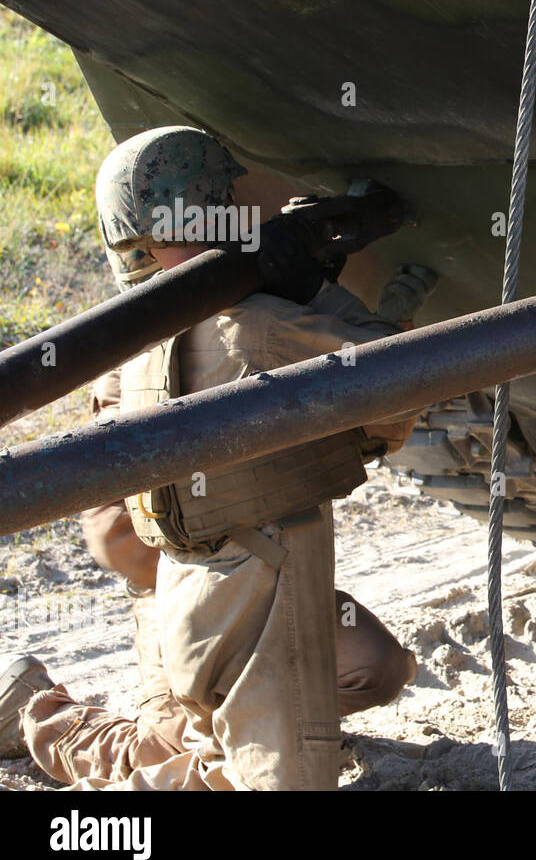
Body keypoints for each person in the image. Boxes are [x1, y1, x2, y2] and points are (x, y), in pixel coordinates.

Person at [7, 125, 430, 790]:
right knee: (169, 766)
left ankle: (249, 725)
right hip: (206, 598)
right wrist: (317, 295)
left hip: (204, 586)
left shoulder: (116, 345)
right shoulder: (260, 326)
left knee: (373, 666)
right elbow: (399, 396)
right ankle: (36, 713)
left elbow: (110, 532)